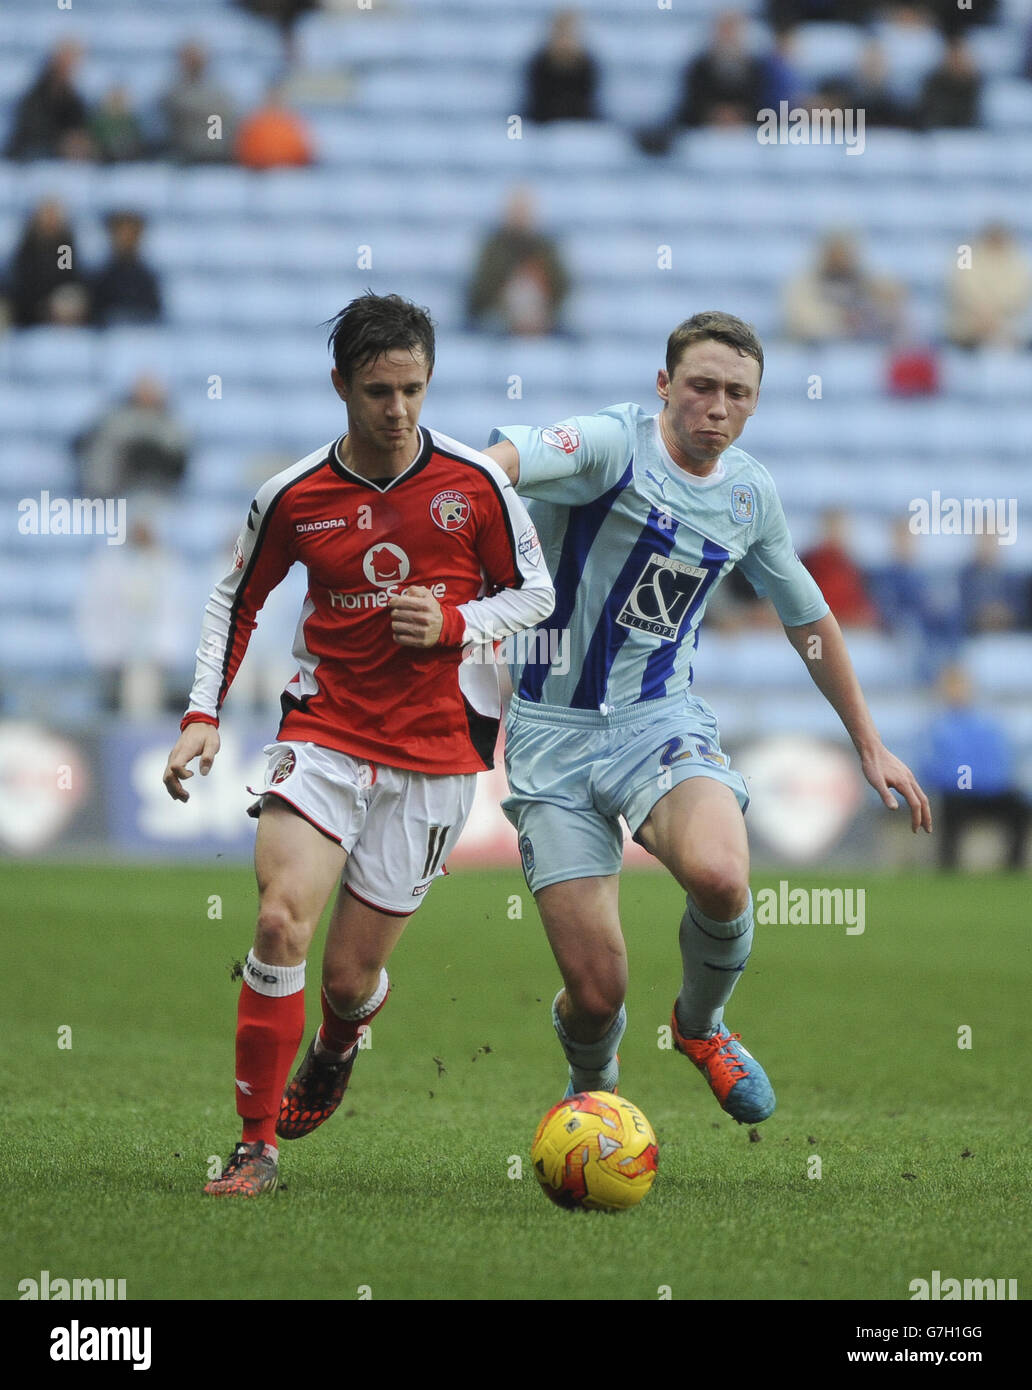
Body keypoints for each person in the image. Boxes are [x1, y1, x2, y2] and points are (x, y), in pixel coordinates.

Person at [483, 310, 931, 1122]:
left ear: (754, 404)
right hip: (551, 732)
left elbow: (808, 618)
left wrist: (869, 742)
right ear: (664, 386)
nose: (716, 407)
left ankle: (701, 1026)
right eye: (700, 387)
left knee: (724, 876)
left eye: (737, 393)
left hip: (659, 721)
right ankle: (593, 1091)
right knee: (595, 992)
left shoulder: (749, 496)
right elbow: (498, 466)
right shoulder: (613, 447)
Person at [161, 293, 554, 1197]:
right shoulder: (294, 496)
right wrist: (201, 714)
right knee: (276, 921)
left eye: (414, 388)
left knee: (345, 979)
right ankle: (254, 1147)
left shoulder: (475, 486)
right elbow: (237, 599)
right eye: (378, 390)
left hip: (436, 754)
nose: (399, 410)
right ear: (340, 384)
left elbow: (535, 596)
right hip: (326, 729)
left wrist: (455, 621)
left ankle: (341, 1038)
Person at [919, 665, 1027, 871]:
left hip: (991, 791)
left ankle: (1014, 867)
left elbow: (1000, 760)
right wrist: (962, 782)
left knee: (1018, 806)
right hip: (958, 794)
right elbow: (931, 767)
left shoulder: (988, 723)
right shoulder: (937, 726)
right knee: (952, 807)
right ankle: (948, 867)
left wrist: (980, 782)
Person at [465, 186, 571, 337]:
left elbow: (560, 287)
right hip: (499, 320)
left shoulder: (546, 248)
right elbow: (480, 290)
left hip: (544, 321)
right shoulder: (493, 248)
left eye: (524, 211)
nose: (520, 216)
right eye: (516, 211)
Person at [524, 9, 601, 124]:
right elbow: (535, 100)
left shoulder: (588, 65)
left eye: (569, 32)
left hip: (580, 123)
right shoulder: (538, 64)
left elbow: (589, 101)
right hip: (543, 123)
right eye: (560, 32)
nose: (564, 37)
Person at [90, 211, 163, 327]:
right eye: (122, 233)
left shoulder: (147, 279)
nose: (126, 239)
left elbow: (154, 313)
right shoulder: (101, 278)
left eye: (130, 234)